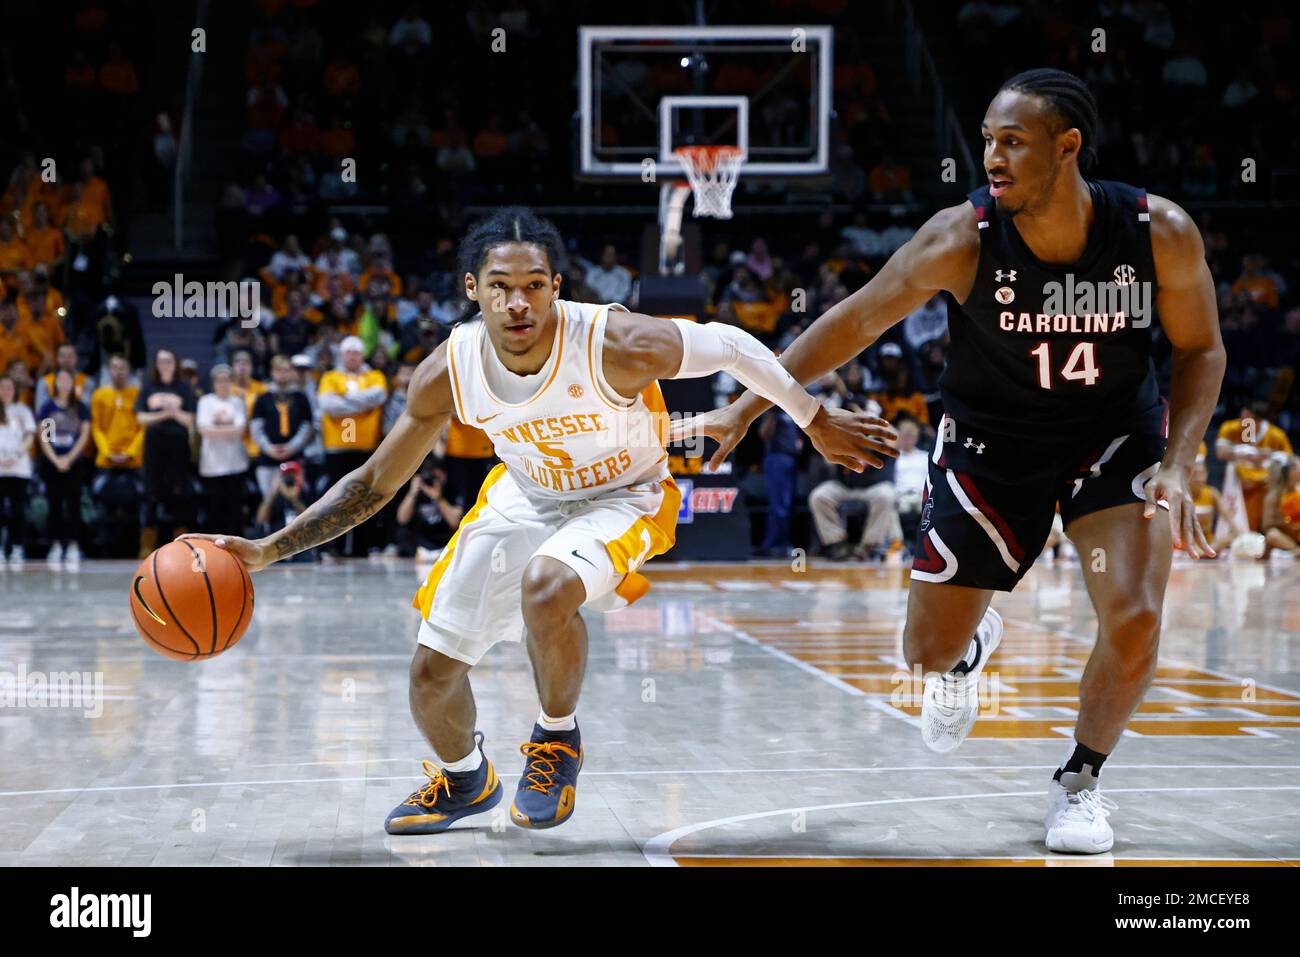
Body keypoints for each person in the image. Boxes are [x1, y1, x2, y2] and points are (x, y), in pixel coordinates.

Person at [185, 206, 893, 836]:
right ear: (473, 290)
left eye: (533, 284)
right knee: (431, 674)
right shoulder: (446, 370)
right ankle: (467, 779)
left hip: (629, 492)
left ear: (557, 286)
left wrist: (813, 417)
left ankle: (556, 738)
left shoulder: (614, 341)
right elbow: (373, 482)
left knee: (547, 585)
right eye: (500, 286)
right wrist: (272, 548)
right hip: (524, 493)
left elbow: (733, 346)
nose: (518, 301)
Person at [682, 69, 1226, 854]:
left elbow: (1202, 347)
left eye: (1012, 142)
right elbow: (856, 319)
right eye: (986, 141)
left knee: (1137, 613)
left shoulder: (1156, 230)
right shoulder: (961, 236)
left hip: (1115, 437)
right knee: (925, 651)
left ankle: (1079, 783)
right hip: (991, 444)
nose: (992, 158)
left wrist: (1178, 460)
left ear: (1067, 147)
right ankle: (967, 649)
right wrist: (745, 406)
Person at [316, 336, 387, 556]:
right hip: (338, 448)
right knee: (337, 498)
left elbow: (379, 396)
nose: (352, 356)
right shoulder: (330, 377)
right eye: (348, 352)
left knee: (364, 498)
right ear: (342, 355)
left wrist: (345, 400)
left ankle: (362, 547)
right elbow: (328, 405)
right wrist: (360, 403)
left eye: (356, 352)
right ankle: (335, 546)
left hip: (366, 448)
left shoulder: (374, 376)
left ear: (362, 355)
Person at [135, 348, 197, 556]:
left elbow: (190, 420)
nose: (165, 365)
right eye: (161, 361)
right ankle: (146, 546)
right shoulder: (148, 387)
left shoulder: (185, 388)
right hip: (153, 448)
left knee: (179, 495)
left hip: (178, 448)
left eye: (169, 361)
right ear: (156, 364)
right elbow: (140, 418)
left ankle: (183, 547)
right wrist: (165, 414)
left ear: (175, 363)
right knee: (150, 495)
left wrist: (175, 413)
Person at [36, 367, 92, 568]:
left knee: (74, 504)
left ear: (73, 383)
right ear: (55, 383)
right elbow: (45, 437)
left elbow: (84, 435)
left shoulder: (80, 407)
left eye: (68, 379)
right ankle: (56, 545)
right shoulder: (48, 408)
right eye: (60, 379)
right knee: (55, 505)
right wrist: (56, 459)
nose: (64, 383)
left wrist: (69, 457)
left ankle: (74, 545)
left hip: (74, 462)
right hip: (52, 463)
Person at [250, 355, 314, 500]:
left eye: (286, 370)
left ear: (291, 372)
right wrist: (268, 448)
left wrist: (292, 447)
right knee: (269, 502)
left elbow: (307, 426)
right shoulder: (263, 398)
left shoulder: (300, 397)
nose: (282, 374)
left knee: (296, 501)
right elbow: (256, 427)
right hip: (268, 459)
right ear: (272, 372)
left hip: (295, 457)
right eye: (279, 370)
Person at [196, 365, 249, 535]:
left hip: (235, 464)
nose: (223, 384)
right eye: (220, 380)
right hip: (212, 466)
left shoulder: (238, 402)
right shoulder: (205, 401)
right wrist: (228, 428)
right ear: (214, 383)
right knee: (214, 510)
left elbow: (240, 429)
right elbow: (203, 430)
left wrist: (215, 428)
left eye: (227, 380)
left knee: (234, 509)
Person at [396, 457, 464, 558]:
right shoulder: (417, 489)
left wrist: (439, 498)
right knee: (403, 532)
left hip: (445, 540)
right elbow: (402, 519)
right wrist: (412, 493)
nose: (433, 480)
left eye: (437, 476)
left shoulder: (451, 489)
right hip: (419, 542)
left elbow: (455, 521)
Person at [0, 374, 36, 566]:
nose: (5, 391)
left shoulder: (23, 410)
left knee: (17, 509)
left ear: (15, 390)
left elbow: (30, 436)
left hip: (18, 467)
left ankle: (17, 547)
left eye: (9, 387)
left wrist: (16, 455)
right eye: (2, 387)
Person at [1261, 455, 1300, 557]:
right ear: (1289, 472)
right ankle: (1296, 551)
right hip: (1286, 540)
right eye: (1298, 467)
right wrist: (1287, 523)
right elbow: (1267, 526)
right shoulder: (1274, 496)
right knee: (1272, 534)